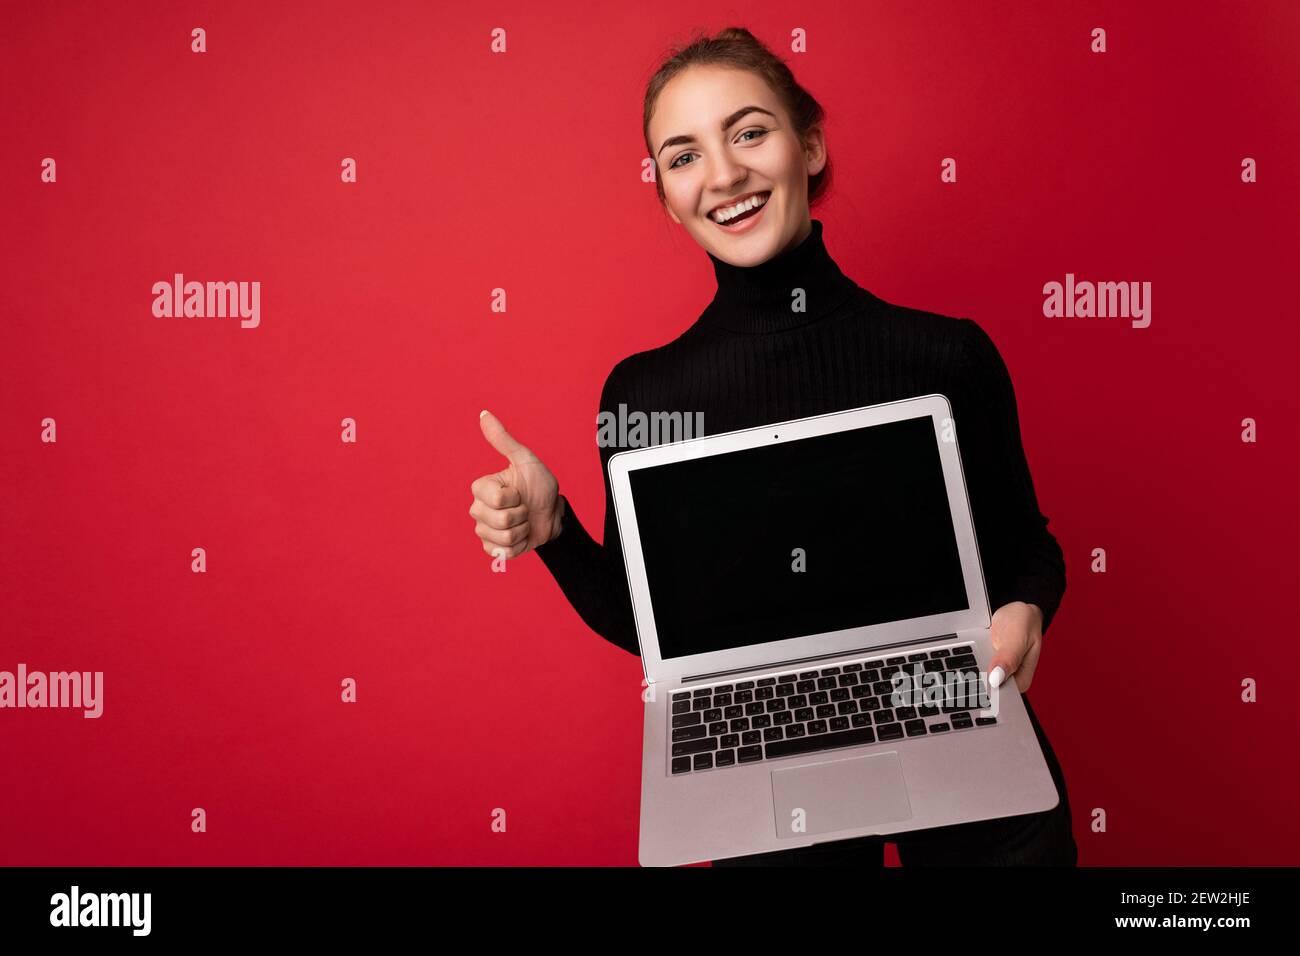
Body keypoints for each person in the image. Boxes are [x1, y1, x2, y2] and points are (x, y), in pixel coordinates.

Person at [468, 26, 1077, 866]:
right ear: (667, 194)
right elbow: (650, 626)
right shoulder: (644, 395)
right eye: (683, 157)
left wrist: (1026, 610)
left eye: (749, 132)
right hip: (761, 731)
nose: (722, 174)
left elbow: (1027, 548)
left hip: (947, 691)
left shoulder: (946, 355)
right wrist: (557, 531)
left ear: (811, 144)